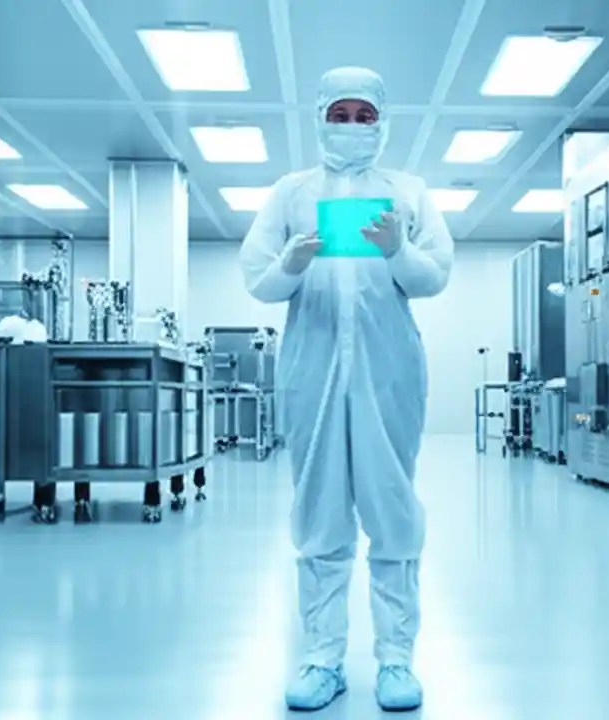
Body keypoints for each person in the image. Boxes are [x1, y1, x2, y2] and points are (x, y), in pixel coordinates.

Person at [238, 66, 454, 712]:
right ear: (321, 119)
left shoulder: (408, 191)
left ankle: (395, 661)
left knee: (392, 511)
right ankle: (322, 659)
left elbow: (434, 275)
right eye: (341, 114)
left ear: (382, 123)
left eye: (365, 116)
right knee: (320, 513)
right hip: (312, 371)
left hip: (390, 374)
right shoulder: (290, 193)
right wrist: (292, 264)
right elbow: (257, 279)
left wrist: (398, 252)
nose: (354, 127)